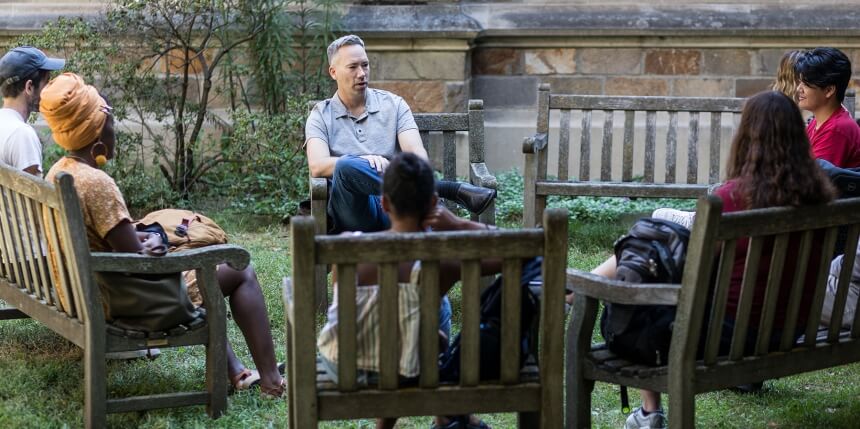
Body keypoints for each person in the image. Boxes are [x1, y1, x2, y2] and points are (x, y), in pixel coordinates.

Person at [588, 91, 836, 429]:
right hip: (791, 331)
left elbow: (689, 273)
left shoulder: (731, 198)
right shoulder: (822, 197)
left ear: (747, 136)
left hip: (730, 337)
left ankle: (649, 413)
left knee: (632, 309)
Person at [39, 73, 284, 398]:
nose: (115, 130)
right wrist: (161, 244)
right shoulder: (97, 184)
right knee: (239, 270)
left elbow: (116, 243)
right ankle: (271, 381)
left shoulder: (59, 172)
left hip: (86, 294)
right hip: (126, 303)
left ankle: (237, 372)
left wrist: (148, 236)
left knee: (196, 260)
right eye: (110, 120)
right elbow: (140, 261)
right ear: (97, 137)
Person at [317, 152, 495, 429]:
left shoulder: (347, 249)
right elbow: (521, 254)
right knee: (436, 317)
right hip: (407, 368)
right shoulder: (442, 262)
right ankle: (448, 417)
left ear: (384, 203)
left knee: (403, 326)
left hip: (343, 367)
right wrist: (460, 224)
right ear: (434, 203)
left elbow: (342, 310)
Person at [304, 34, 495, 234]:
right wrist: (364, 160)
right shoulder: (321, 114)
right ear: (333, 72)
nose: (361, 73)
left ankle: (416, 197)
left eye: (365, 65)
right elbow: (317, 166)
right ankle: (446, 189)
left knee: (402, 203)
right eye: (353, 67)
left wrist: (395, 175)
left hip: (397, 209)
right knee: (344, 166)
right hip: (355, 212)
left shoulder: (393, 105)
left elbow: (417, 154)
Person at [0, 46, 64, 175]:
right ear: (29, 87)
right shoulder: (22, 135)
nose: (50, 88)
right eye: (46, 82)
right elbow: (34, 193)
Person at [795, 47, 860, 168]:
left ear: (829, 90)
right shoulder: (818, 122)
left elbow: (813, 180)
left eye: (806, 84)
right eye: (800, 82)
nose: (799, 89)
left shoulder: (836, 130)